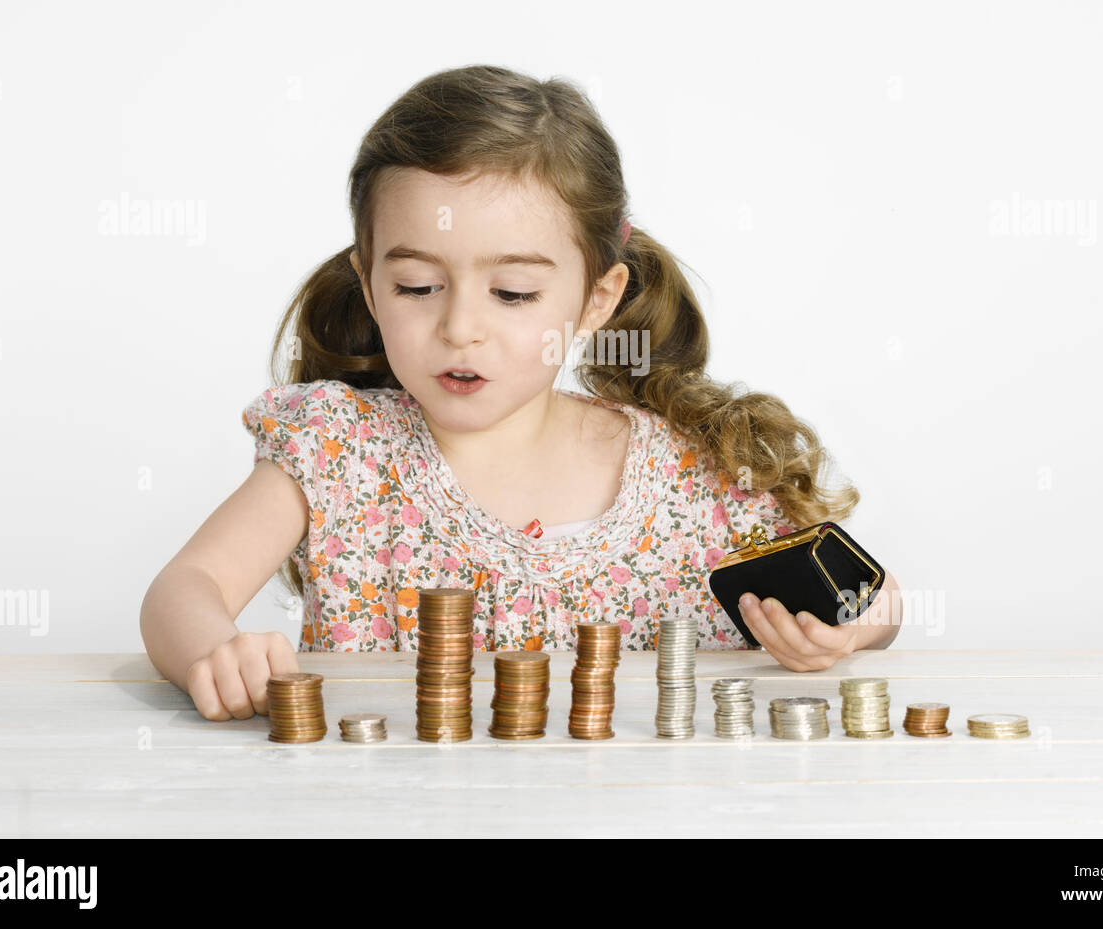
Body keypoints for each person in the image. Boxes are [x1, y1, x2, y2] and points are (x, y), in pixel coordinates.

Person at [140, 64, 903, 721]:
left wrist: (852, 628)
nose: (460, 327)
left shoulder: (689, 473)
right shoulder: (339, 451)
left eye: (511, 293)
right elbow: (184, 585)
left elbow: (875, 595)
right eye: (418, 285)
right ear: (370, 284)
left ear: (596, 300)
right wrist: (216, 649)